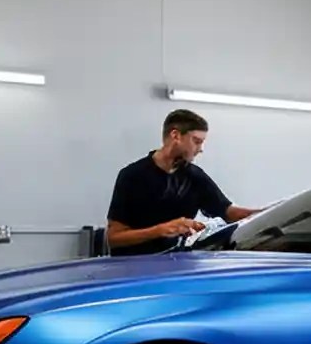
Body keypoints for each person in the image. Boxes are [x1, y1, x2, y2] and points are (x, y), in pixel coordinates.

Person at [106, 109, 259, 256]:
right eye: (196, 141)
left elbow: (229, 212)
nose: (200, 149)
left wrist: (269, 214)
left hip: (178, 264)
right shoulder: (132, 176)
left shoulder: (194, 176)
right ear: (176, 136)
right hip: (136, 266)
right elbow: (114, 238)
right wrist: (161, 230)